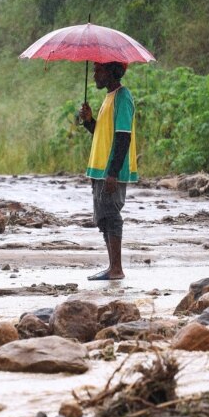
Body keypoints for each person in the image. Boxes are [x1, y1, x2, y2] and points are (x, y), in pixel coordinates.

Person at [78, 61, 137, 281]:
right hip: (100, 170)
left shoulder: (123, 97)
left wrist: (113, 173)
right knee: (103, 218)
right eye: (93, 71)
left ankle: (117, 269)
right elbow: (102, 134)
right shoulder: (109, 98)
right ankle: (112, 266)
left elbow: (123, 137)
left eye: (98, 71)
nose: (94, 76)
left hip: (111, 172)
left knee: (111, 215)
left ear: (112, 72)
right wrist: (89, 121)